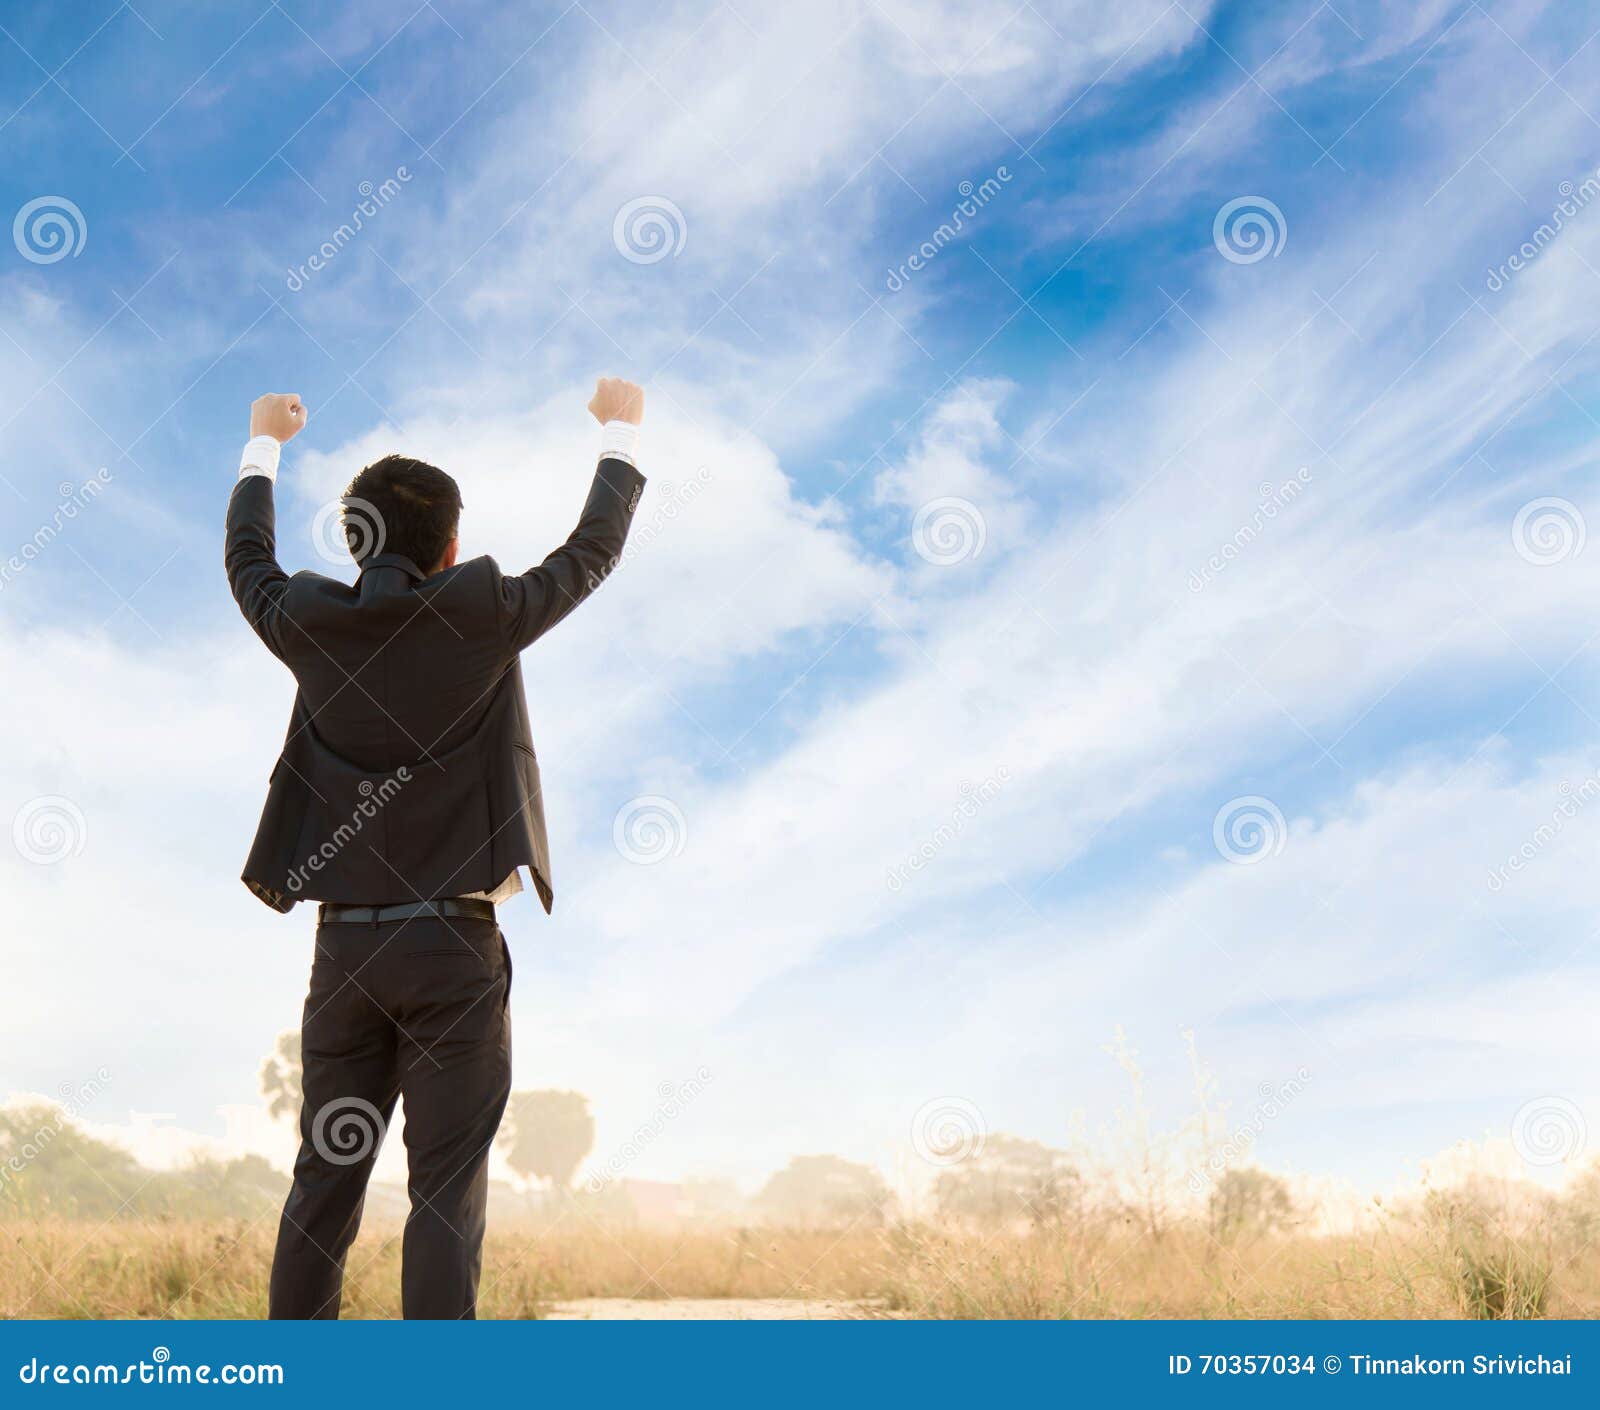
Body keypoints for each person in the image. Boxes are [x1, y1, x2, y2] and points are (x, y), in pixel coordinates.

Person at [224, 378, 646, 1318]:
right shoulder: (486, 613)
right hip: (452, 949)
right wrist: (618, 431)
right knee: (443, 1195)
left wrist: (263, 446)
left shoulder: (308, 621)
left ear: (354, 540)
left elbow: (247, 561)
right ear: (451, 544)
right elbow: (593, 552)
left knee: (322, 1185)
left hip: (345, 956)